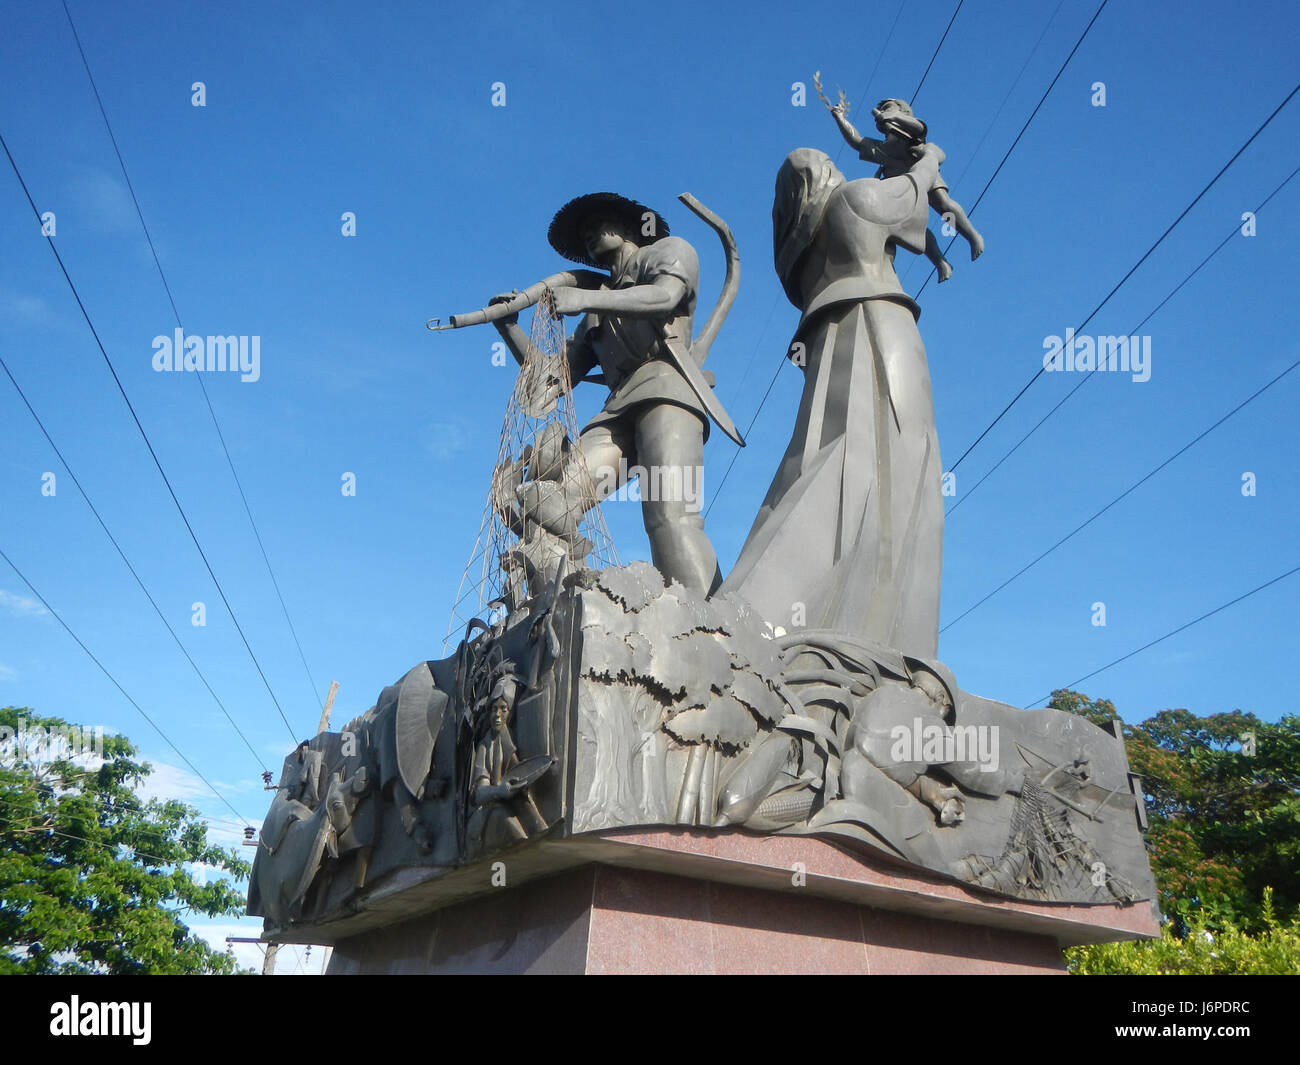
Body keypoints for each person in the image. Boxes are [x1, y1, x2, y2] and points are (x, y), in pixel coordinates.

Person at [720, 147, 946, 658]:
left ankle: (756, 618)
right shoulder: (855, 199)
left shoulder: (802, 250)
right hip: (879, 327)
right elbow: (912, 197)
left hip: (829, 335)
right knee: (894, 455)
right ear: (824, 175)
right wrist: (928, 156)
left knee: (828, 452)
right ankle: (869, 637)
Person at [490, 193, 732, 596]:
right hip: (617, 410)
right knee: (555, 497)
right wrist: (509, 326)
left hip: (668, 393)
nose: (588, 233)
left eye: (597, 221)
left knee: (670, 519)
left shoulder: (669, 252)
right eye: (583, 233)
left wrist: (586, 297)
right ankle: (558, 604)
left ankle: (711, 624)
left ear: (628, 224)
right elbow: (551, 377)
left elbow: (665, 297)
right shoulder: (595, 314)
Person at [829, 98, 984, 283]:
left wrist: (893, 116)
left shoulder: (910, 131)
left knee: (943, 204)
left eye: (887, 107)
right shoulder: (883, 149)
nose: (881, 112)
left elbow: (917, 127)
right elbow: (857, 142)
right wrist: (839, 117)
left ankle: (973, 236)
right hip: (901, 181)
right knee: (914, 224)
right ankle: (941, 262)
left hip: (923, 167)